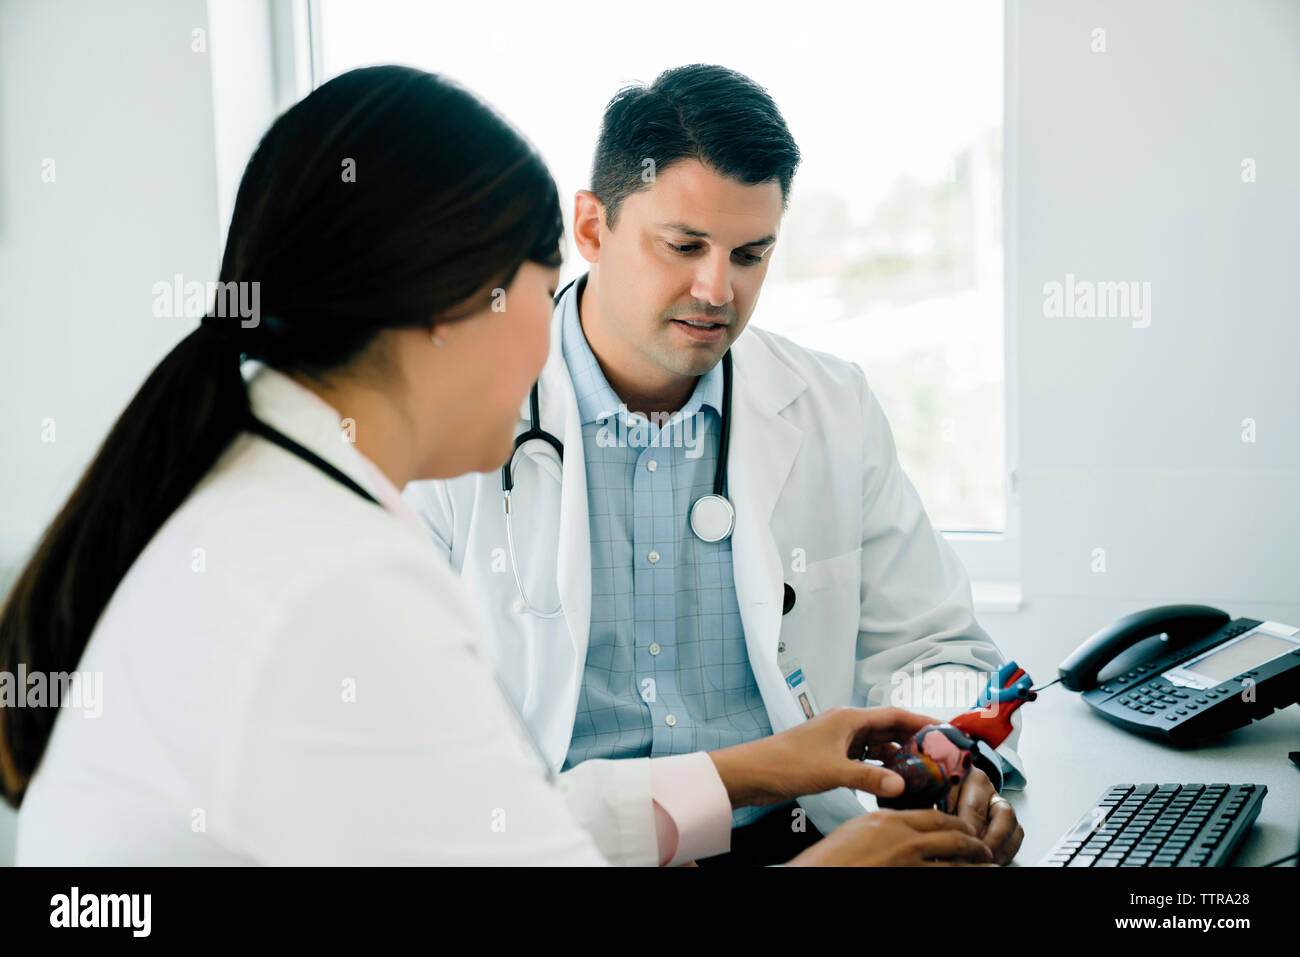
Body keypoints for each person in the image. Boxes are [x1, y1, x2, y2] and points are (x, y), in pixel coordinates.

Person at [0, 65, 994, 866]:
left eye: (749, 255)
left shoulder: (259, 489)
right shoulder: (339, 580)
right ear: (453, 301)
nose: (546, 350)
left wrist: (757, 771)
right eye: (546, 285)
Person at [403, 63, 1026, 866]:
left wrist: (951, 755)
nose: (717, 288)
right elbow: (419, 782)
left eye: (750, 254)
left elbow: (935, 648)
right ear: (592, 229)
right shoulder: (457, 423)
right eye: (685, 245)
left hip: (808, 837)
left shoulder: (830, 406)